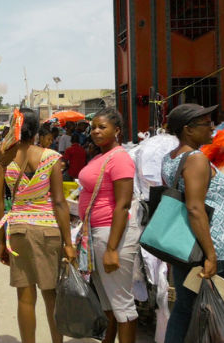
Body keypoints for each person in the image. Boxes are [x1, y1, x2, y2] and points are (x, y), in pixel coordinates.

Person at [0, 108, 75, 343]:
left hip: (18, 230)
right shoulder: (51, 157)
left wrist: (2, 241)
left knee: (25, 298)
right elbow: (59, 202)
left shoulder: (5, 159)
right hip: (48, 231)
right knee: (51, 296)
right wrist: (69, 243)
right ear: (37, 130)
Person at [161, 104, 224, 343]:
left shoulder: (172, 157)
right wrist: (211, 255)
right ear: (188, 129)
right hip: (209, 245)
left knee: (186, 308)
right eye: (206, 124)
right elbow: (195, 208)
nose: (212, 128)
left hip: (187, 245)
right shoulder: (195, 159)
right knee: (213, 311)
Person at [76, 107, 139, 343]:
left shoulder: (120, 158)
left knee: (122, 305)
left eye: (102, 127)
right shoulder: (99, 157)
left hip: (111, 234)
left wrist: (112, 248)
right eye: (93, 127)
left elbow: (123, 204)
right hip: (96, 234)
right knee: (108, 304)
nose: (95, 131)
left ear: (117, 130)